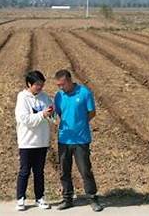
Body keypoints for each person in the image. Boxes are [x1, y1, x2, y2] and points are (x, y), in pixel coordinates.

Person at [53, 69, 103, 212]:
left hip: (81, 139)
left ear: (69, 81)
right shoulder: (59, 96)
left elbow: (92, 112)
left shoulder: (84, 92)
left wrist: (80, 124)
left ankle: (92, 198)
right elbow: (60, 113)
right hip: (64, 139)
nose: (60, 87)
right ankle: (67, 198)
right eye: (58, 85)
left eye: (62, 84)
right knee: (64, 171)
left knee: (85, 170)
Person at [14, 70, 54, 211]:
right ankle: (20, 199)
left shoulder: (45, 97)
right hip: (27, 142)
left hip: (42, 141)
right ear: (29, 84)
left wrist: (51, 113)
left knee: (39, 172)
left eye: (42, 84)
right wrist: (42, 114)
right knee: (24, 171)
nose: (40, 87)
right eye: (37, 84)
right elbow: (24, 119)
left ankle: (40, 198)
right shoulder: (22, 98)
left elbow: (52, 113)